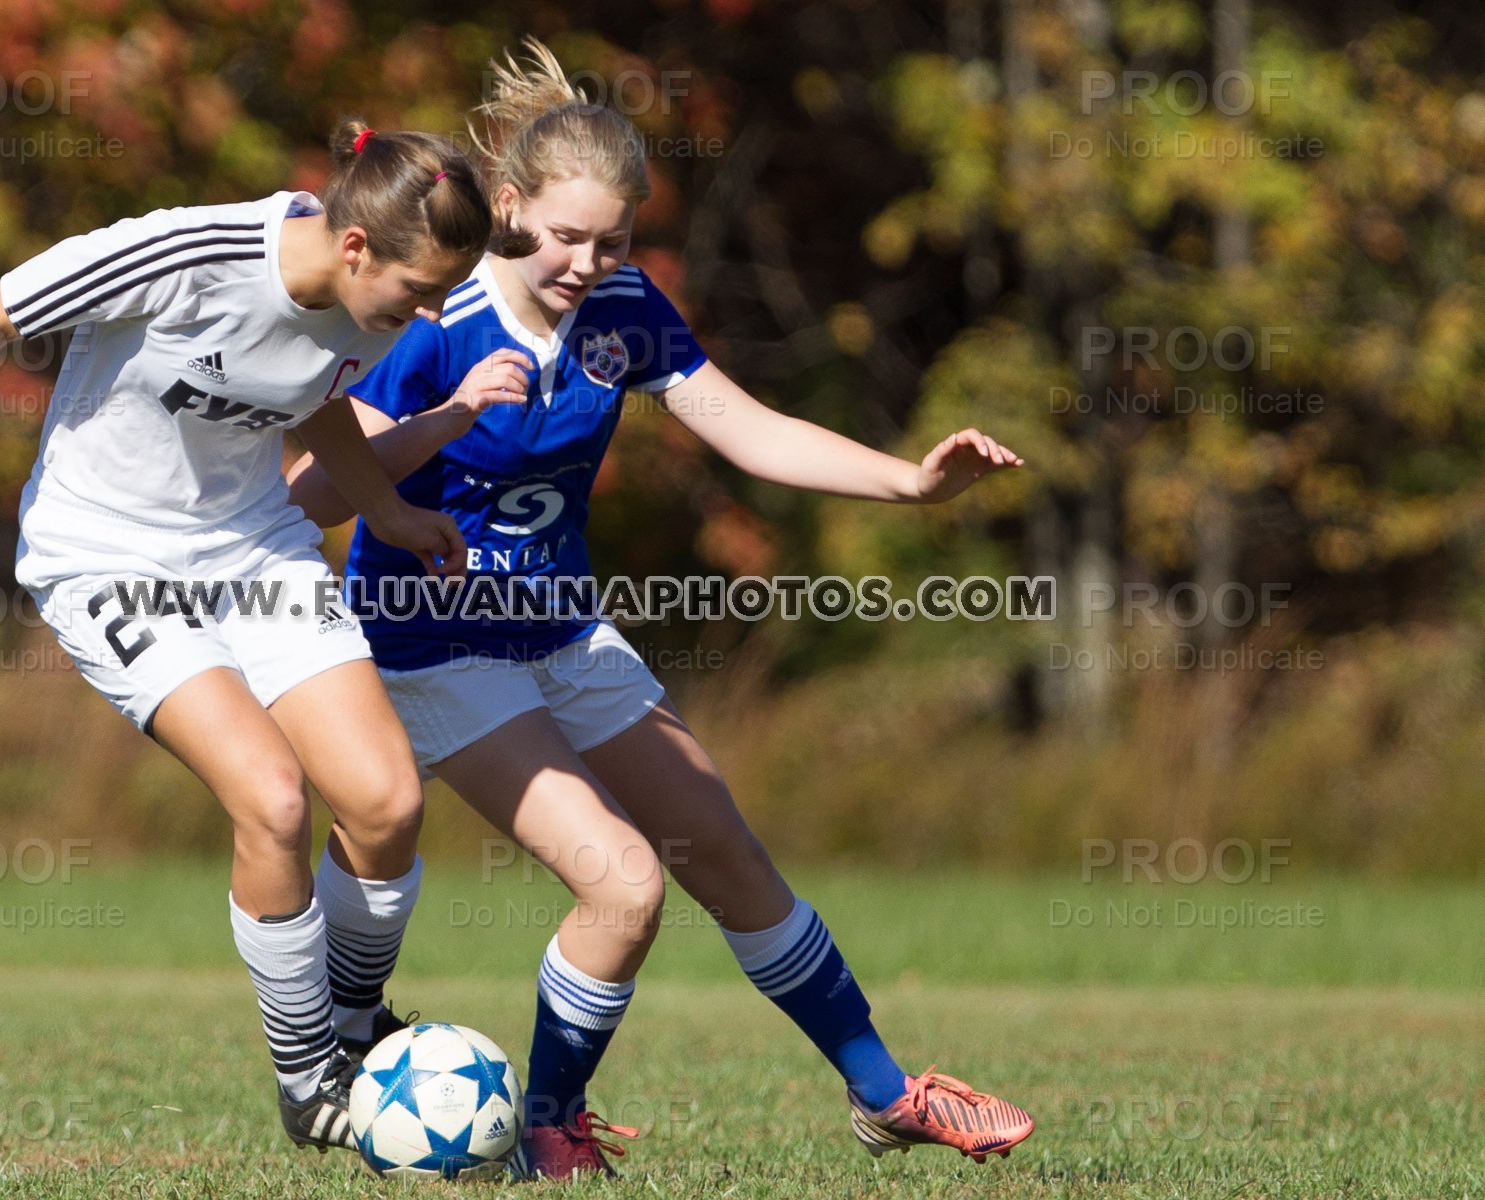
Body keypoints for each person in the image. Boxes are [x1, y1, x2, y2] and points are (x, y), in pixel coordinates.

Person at [283, 42, 1035, 1177]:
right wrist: (447, 418)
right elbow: (313, 492)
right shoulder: (434, 317)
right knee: (625, 884)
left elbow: (749, 430)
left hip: (562, 632)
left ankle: (886, 1095)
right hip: (432, 648)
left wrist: (912, 484)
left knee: (726, 857)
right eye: (566, 237)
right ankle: (547, 1131)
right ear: (510, 206)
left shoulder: (624, 310)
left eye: (615, 241)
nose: (589, 264)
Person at [0, 118, 523, 1156]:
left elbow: (313, 395)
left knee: (387, 803)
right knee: (272, 799)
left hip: (253, 549)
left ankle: (356, 1032)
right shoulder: (184, 253)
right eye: (420, 292)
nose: (432, 312)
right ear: (356, 246)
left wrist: (390, 513)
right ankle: (308, 1079)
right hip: (106, 559)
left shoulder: (374, 299)